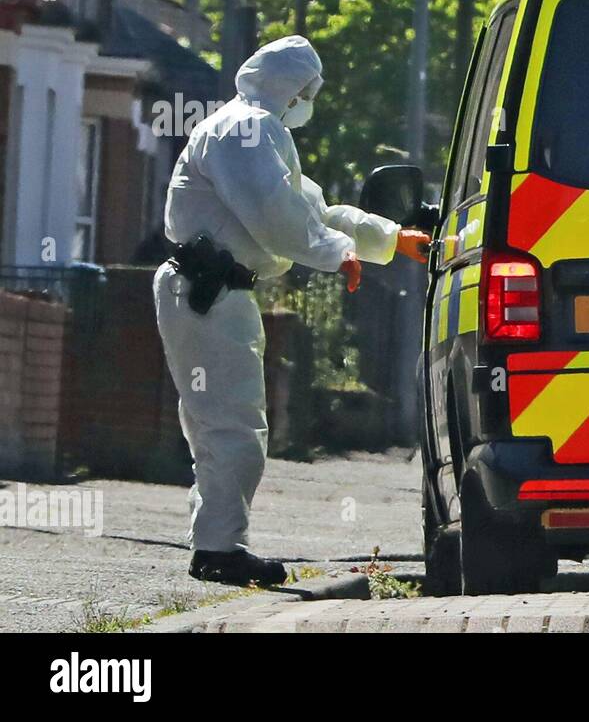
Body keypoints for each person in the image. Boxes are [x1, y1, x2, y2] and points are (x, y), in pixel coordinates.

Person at [153, 36, 431, 586]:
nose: (309, 100)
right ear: (292, 88)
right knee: (232, 425)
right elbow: (275, 215)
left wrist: (391, 238)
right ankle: (219, 550)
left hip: (214, 291)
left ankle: (216, 543)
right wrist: (336, 253)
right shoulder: (247, 129)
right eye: (308, 90)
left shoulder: (252, 129)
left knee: (221, 425)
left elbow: (314, 209)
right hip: (209, 291)